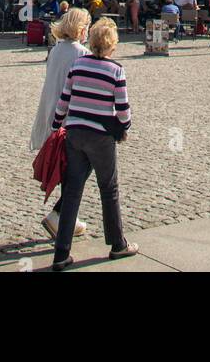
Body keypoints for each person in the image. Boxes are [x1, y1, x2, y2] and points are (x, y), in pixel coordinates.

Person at [50, 17, 138, 271]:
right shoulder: (115, 70)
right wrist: (123, 129)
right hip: (101, 137)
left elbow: (63, 102)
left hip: (75, 133)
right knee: (108, 189)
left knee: (72, 192)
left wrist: (57, 127)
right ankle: (118, 244)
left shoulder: (78, 65)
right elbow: (123, 111)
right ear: (112, 44)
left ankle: (61, 254)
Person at [30, 6, 92, 241]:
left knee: (71, 169)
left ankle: (68, 217)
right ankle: (60, 215)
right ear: (80, 28)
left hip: (51, 113)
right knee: (79, 168)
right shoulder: (82, 54)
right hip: (70, 118)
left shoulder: (56, 50)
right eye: (86, 26)